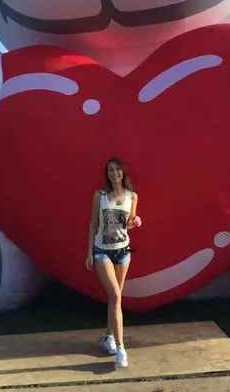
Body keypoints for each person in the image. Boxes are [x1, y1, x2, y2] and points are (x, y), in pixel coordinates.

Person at [86, 157, 142, 368]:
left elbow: (128, 223)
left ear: (123, 172)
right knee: (116, 295)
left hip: (123, 252)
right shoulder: (99, 196)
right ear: (107, 174)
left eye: (117, 169)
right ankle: (120, 348)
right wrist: (89, 252)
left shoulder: (132, 196)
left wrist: (136, 222)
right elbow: (93, 223)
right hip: (102, 251)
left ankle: (109, 336)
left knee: (114, 297)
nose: (114, 173)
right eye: (111, 170)